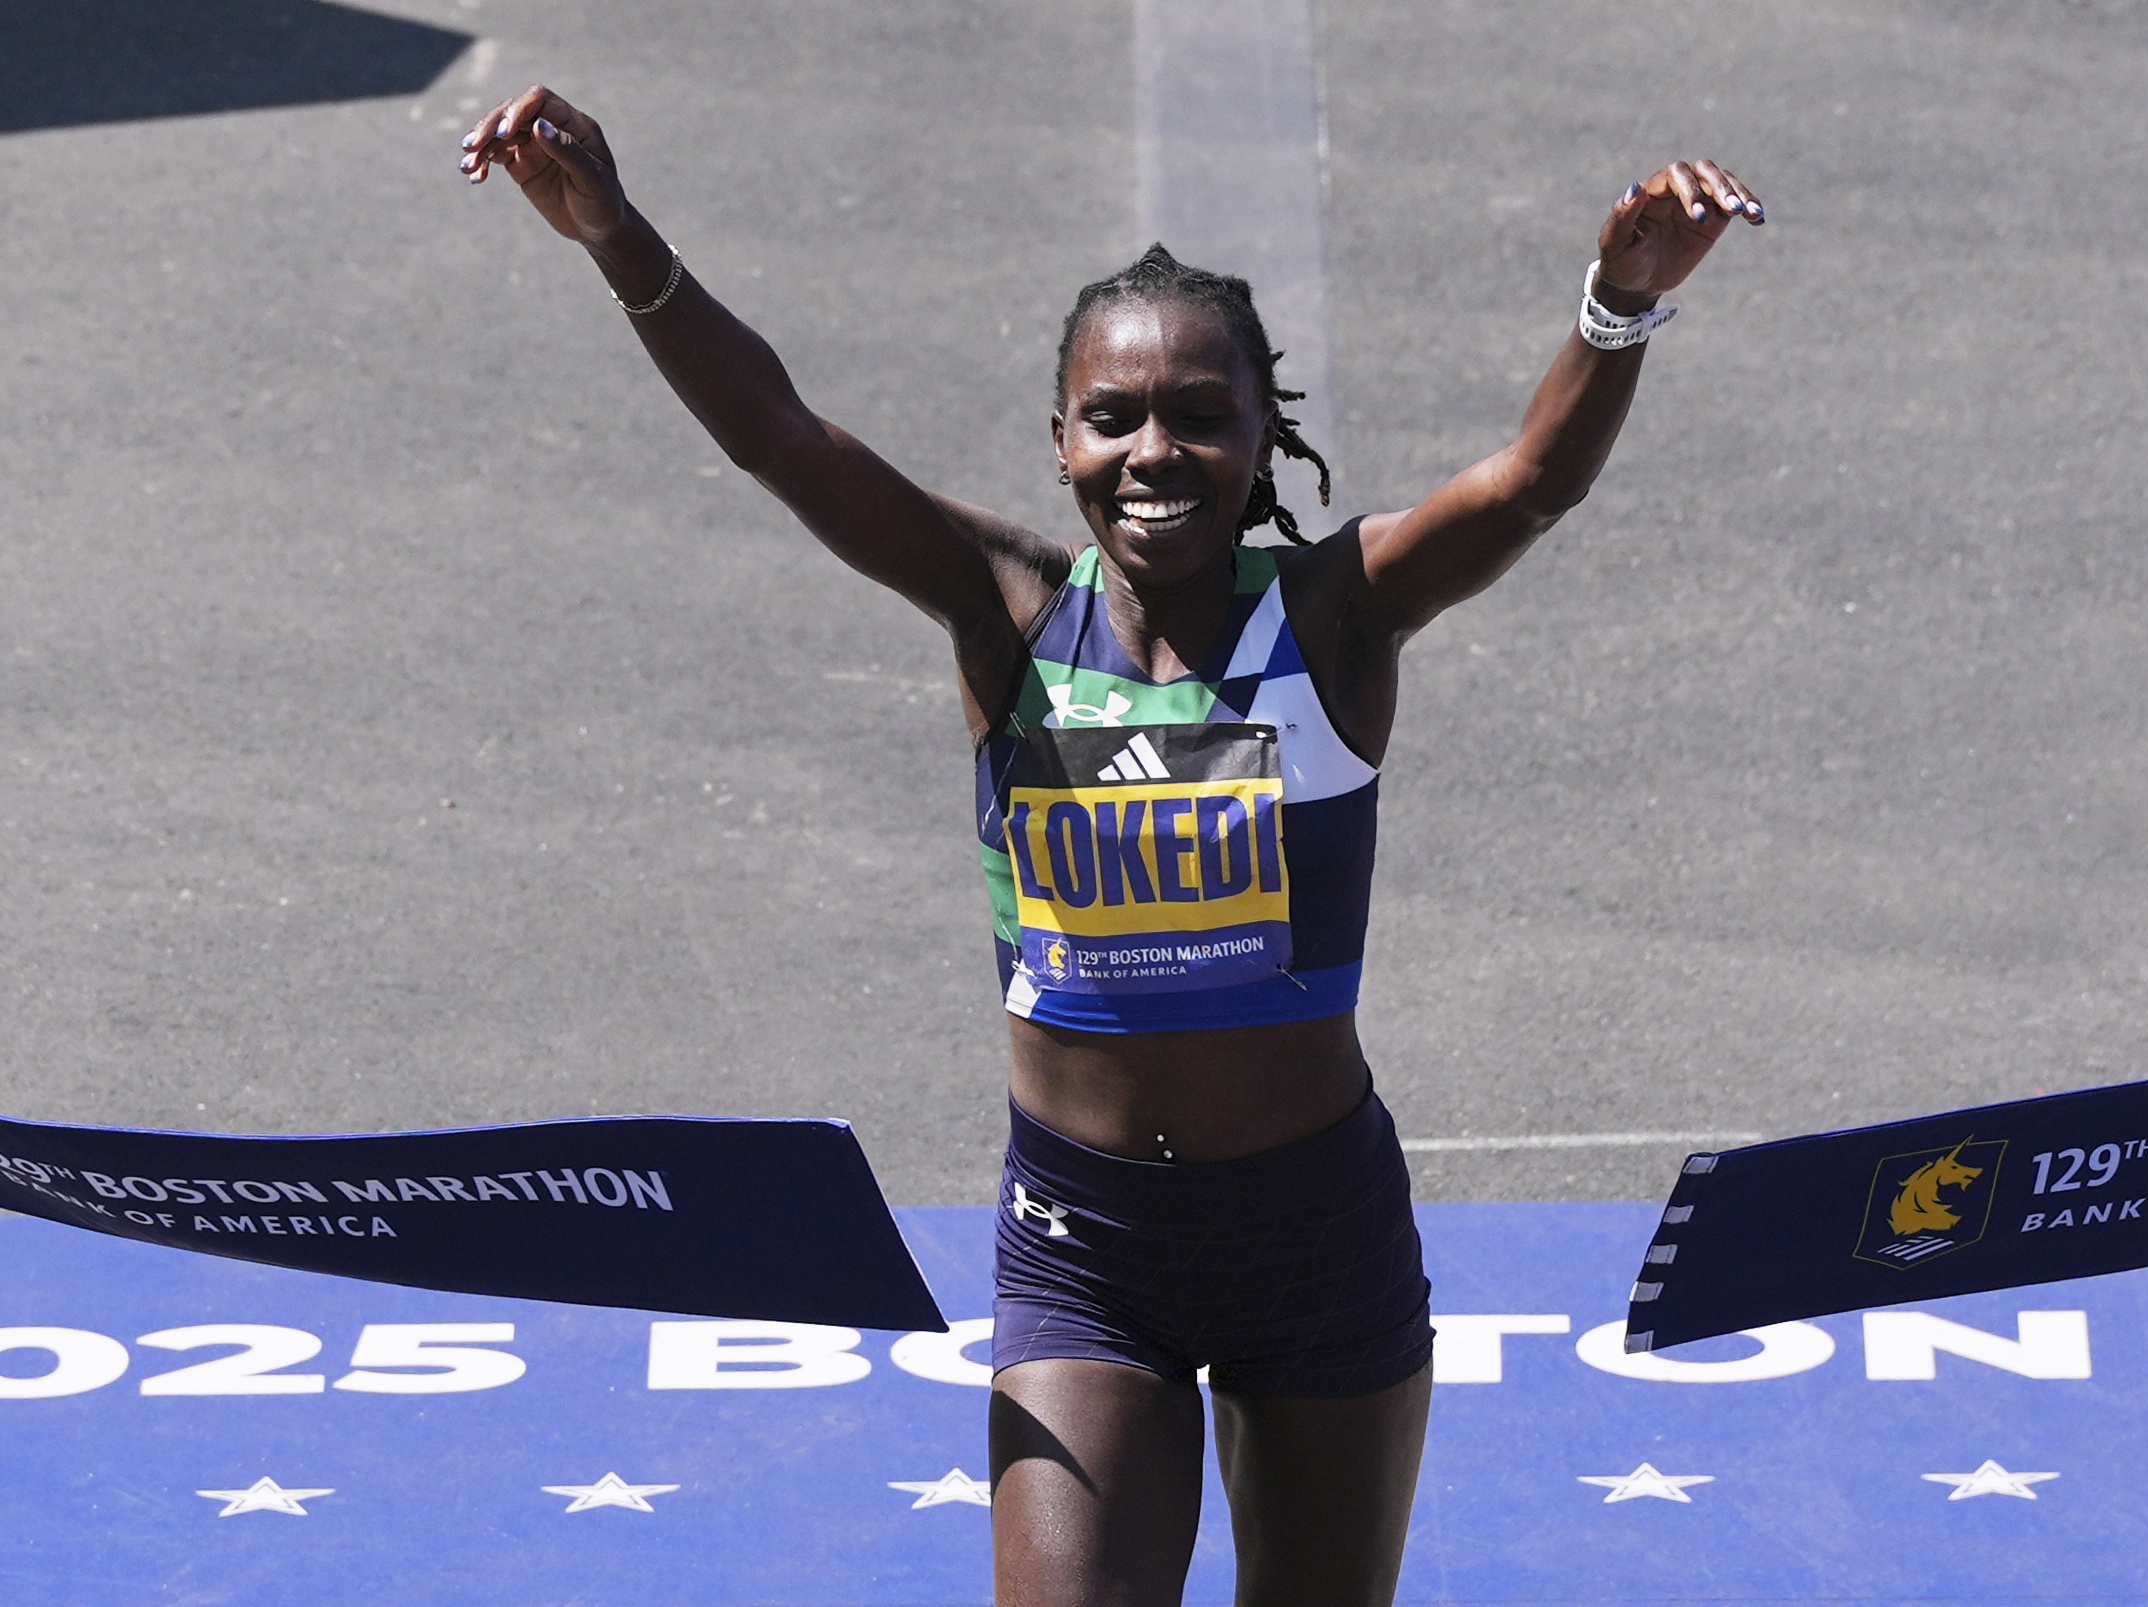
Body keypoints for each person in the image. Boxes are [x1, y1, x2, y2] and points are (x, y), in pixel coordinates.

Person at [460, 85, 1759, 1607]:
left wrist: (1618, 305)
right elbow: (778, 435)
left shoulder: (1336, 613)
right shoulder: (1002, 608)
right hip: (1085, 1249)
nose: (1157, 451)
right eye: (1115, 417)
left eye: (1202, 416)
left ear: (1264, 436)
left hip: (1317, 1242)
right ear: (1061, 440)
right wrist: (616, 237)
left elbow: (1531, 482)